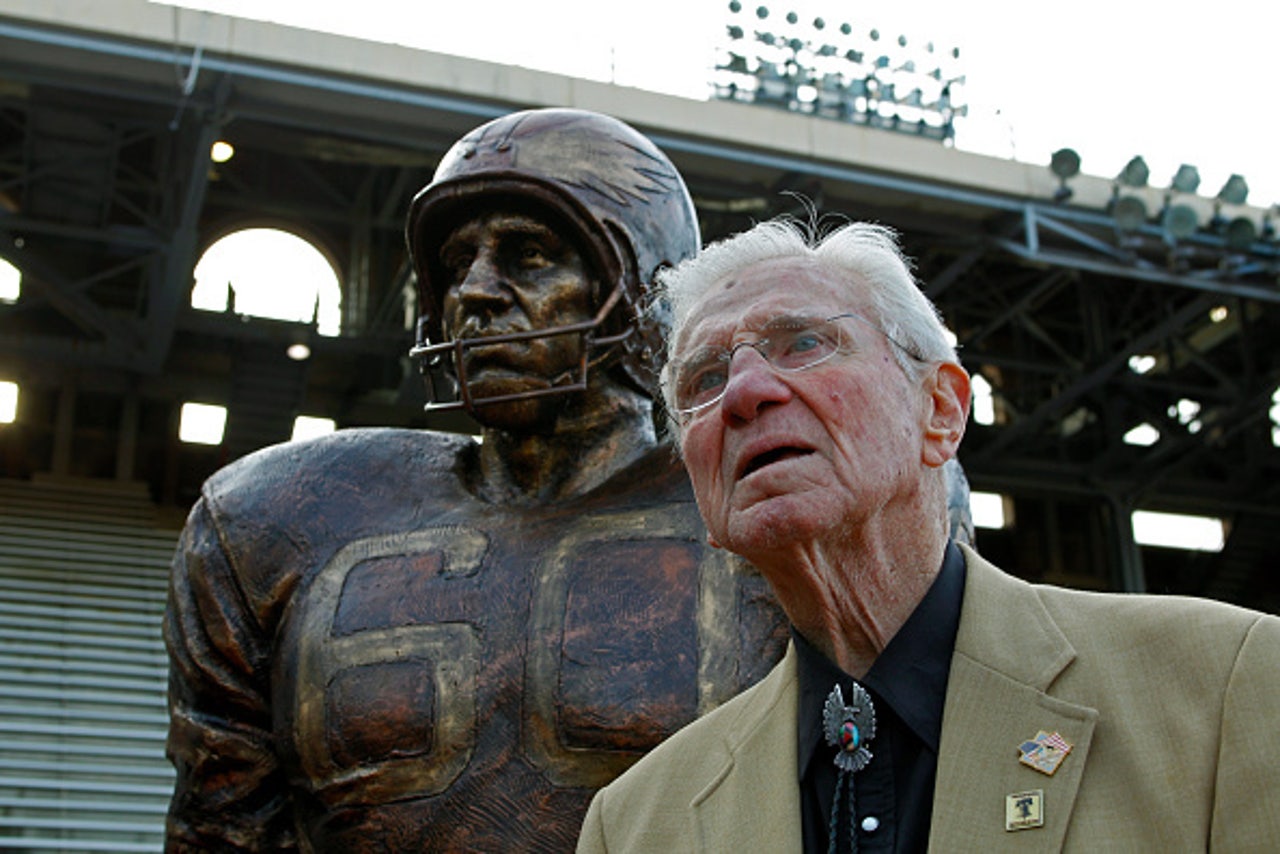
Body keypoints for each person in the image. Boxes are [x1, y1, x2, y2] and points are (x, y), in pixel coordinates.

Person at [162, 108, 789, 852]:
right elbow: (222, 832)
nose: (475, 292)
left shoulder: (772, 506)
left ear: (644, 292)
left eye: (528, 255)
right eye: (458, 263)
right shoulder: (272, 522)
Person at [577, 218, 1280, 852]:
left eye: (805, 342)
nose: (743, 393)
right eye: (704, 379)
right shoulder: (636, 824)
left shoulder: (1225, 687)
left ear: (940, 409)